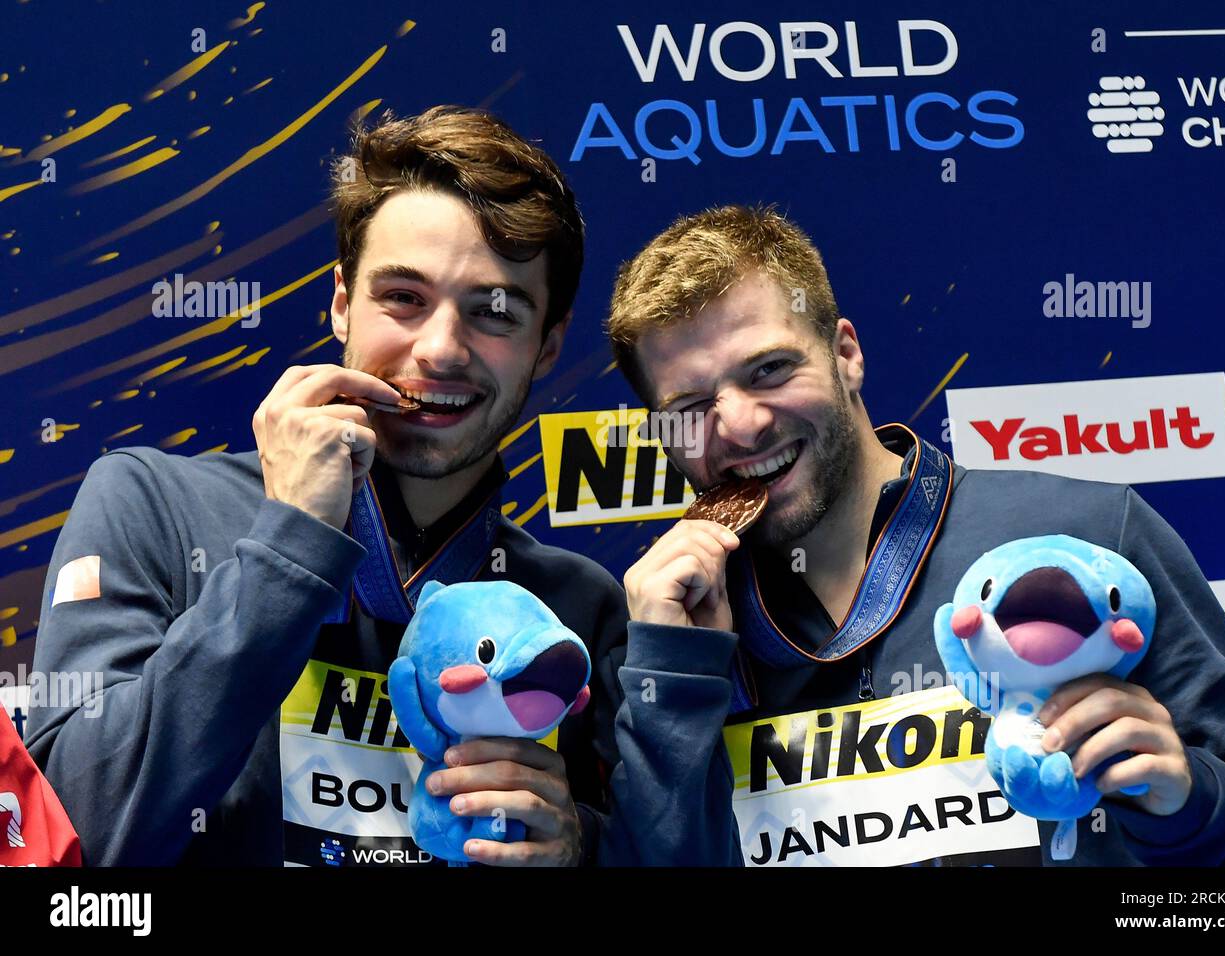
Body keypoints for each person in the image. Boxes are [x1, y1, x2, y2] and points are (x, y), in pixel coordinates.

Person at [23, 106, 733, 867]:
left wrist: (580, 847)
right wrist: (290, 547)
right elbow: (77, 840)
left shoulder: (577, 608)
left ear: (548, 345)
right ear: (340, 302)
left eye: (495, 311)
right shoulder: (152, 506)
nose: (440, 348)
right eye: (403, 297)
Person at [608, 204, 1225, 866]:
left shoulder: (1082, 536)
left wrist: (1188, 799)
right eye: (692, 407)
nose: (742, 425)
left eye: (770, 370)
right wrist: (673, 671)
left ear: (846, 354)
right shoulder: (669, 633)